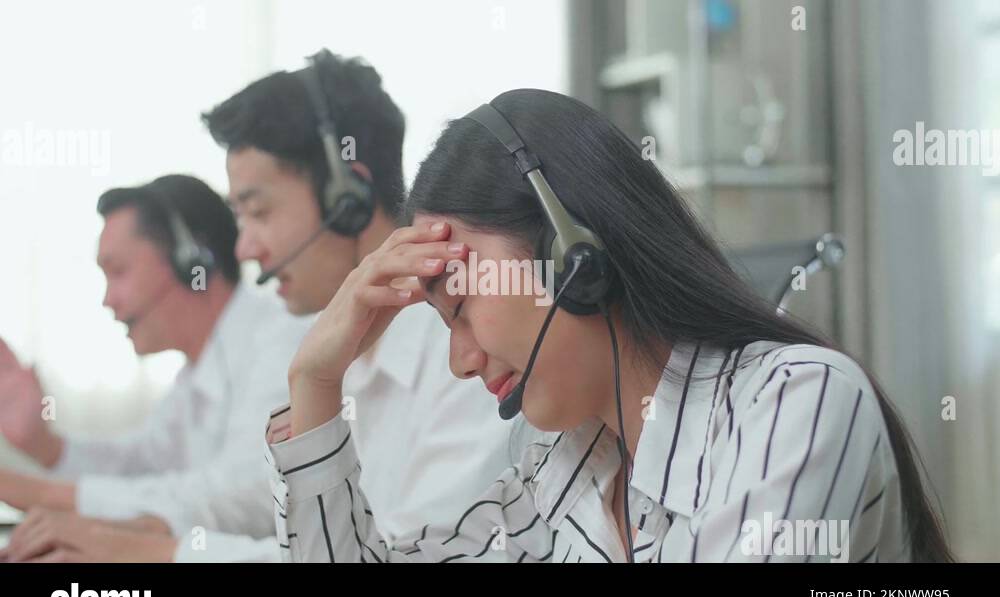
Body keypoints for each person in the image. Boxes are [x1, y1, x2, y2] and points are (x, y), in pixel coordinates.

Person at [264, 89, 953, 562]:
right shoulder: (563, 469)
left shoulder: (797, 406)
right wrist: (317, 378)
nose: (461, 361)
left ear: (571, 253)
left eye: (462, 304)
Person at [4, 52, 513, 563]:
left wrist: (145, 551)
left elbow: (363, 550)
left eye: (259, 211)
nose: (244, 249)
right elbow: (306, 545)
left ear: (347, 195)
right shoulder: (335, 351)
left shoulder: (465, 359)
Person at [0, 175, 310, 550]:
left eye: (118, 272)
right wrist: (43, 447)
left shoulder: (283, 342)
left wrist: (36, 492)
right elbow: (141, 467)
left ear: (191, 257)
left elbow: (248, 495)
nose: (107, 301)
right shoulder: (195, 375)